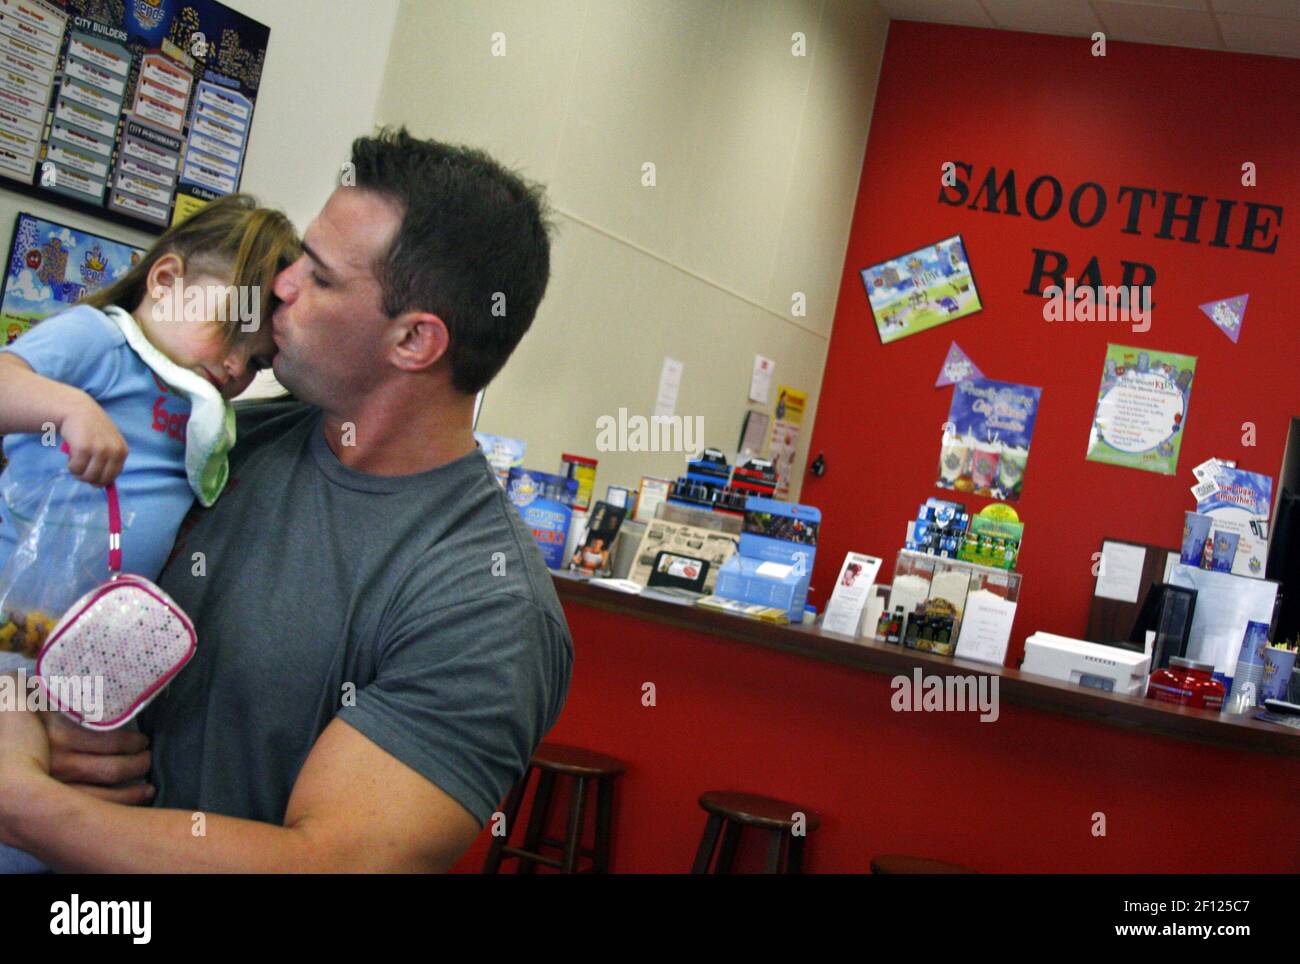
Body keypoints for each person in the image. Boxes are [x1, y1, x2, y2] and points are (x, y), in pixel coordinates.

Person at [0, 127, 573, 872]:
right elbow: (36, 573)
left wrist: (27, 804)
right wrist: (32, 712)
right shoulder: (218, 440)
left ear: (415, 341)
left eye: (322, 277)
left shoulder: (483, 602)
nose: (280, 284)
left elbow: (330, 863)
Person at [0, 194, 297, 873]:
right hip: (20, 615)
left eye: (255, 363)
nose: (234, 371)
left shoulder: (204, 412)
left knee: (100, 782)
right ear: (165, 282)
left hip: (102, 641)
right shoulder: (99, 343)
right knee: (24, 797)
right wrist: (69, 407)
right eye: (231, 336)